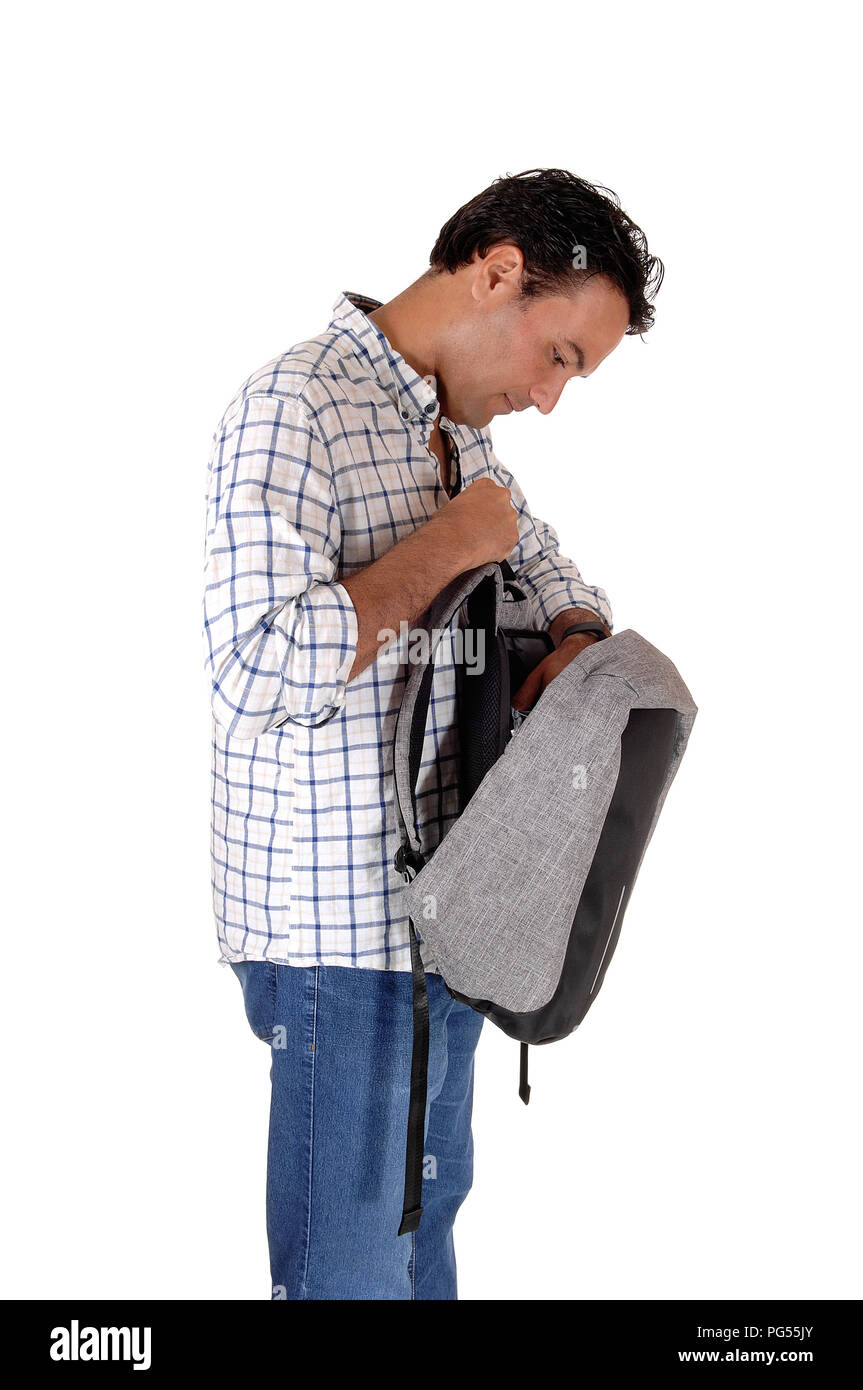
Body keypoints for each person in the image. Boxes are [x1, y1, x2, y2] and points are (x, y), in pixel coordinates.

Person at [201, 167, 663, 1300]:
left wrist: (572, 624)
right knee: (353, 1277)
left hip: (445, 919)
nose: (551, 399)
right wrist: (451, 548)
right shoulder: (295, 405)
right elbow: (254, 664)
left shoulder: (456, 438)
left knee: (420, 1263)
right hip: (337, 937)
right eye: (557, 355)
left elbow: (537, 556)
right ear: (496, 271)